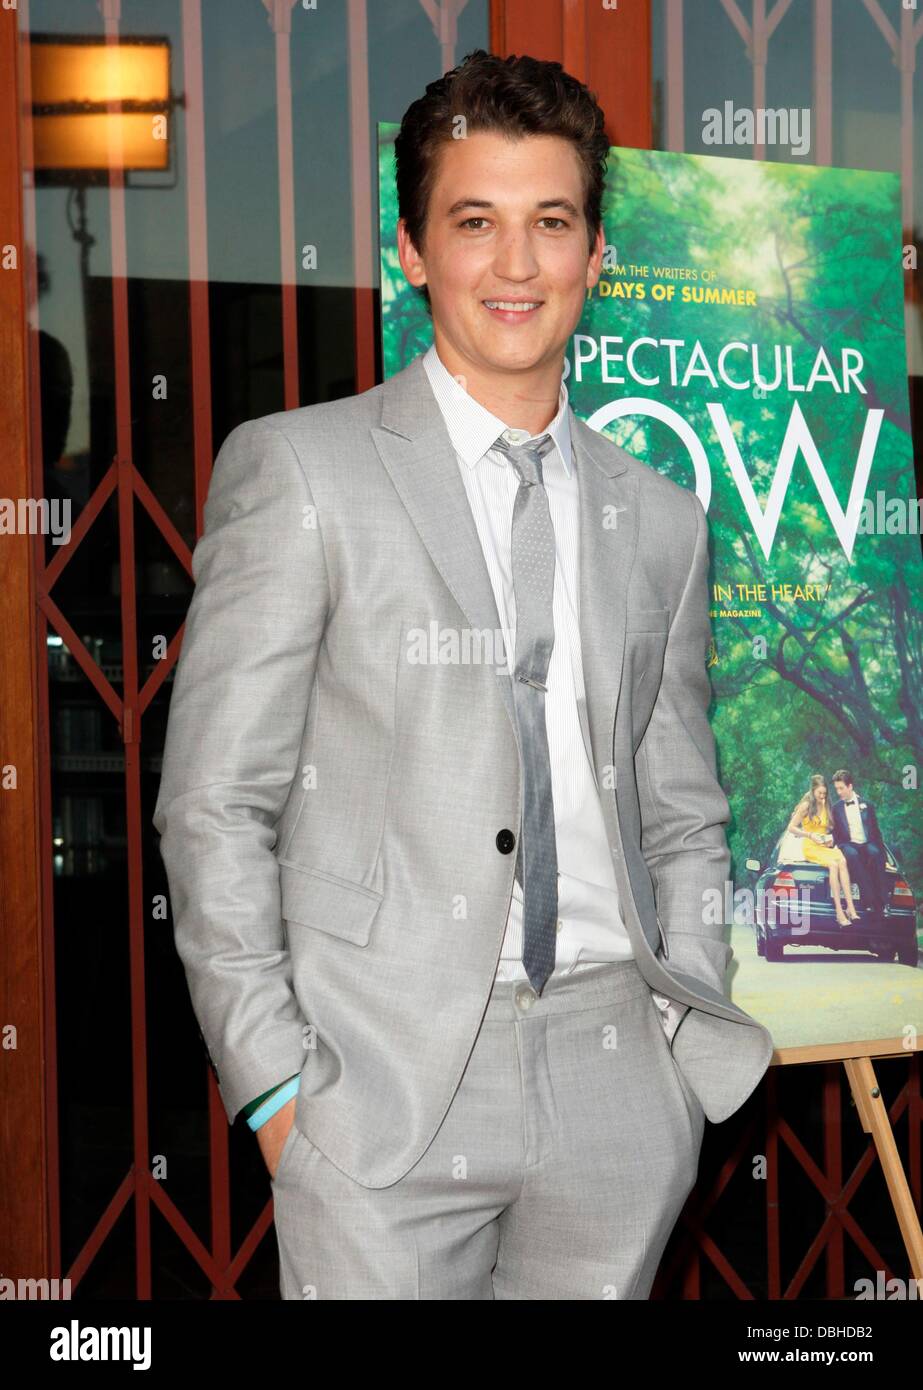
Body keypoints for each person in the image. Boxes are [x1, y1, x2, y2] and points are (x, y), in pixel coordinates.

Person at [153, 49, 773, 1301]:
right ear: (411, 250)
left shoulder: (659, 516)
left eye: (550, 224)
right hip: (375, 1090)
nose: (513, 264)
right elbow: (213, 804)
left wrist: (677, 1025)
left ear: (595, 254)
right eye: (473, 223)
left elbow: (683, 805)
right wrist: (278, 1087)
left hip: (614, 1075)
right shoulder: (302, 473)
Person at [784, 774, 858, 927]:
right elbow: (791, 828)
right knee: (833, 864)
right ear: (813, 791)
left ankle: (851, 908)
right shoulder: (806, 806)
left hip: (824, 845)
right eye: (820, 793)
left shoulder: (826, 804)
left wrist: (829, 837)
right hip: (810, 845)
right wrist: (810, 834)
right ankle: (839, 912)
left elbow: (829, 828)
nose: (822, 796)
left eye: (825, 793)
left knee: (842, 860)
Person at [830, 768, 890, 918]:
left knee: (876, 854)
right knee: (853, 855)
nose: (838, 792)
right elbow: (835, 834)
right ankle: (869, 901)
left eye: (841, 788)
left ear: (850, 786)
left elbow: (876, 832)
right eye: (836, 789)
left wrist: (884, 855)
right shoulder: (836, 809)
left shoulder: (867, 805)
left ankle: (883, 903)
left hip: (867, 842)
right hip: (848, 844)